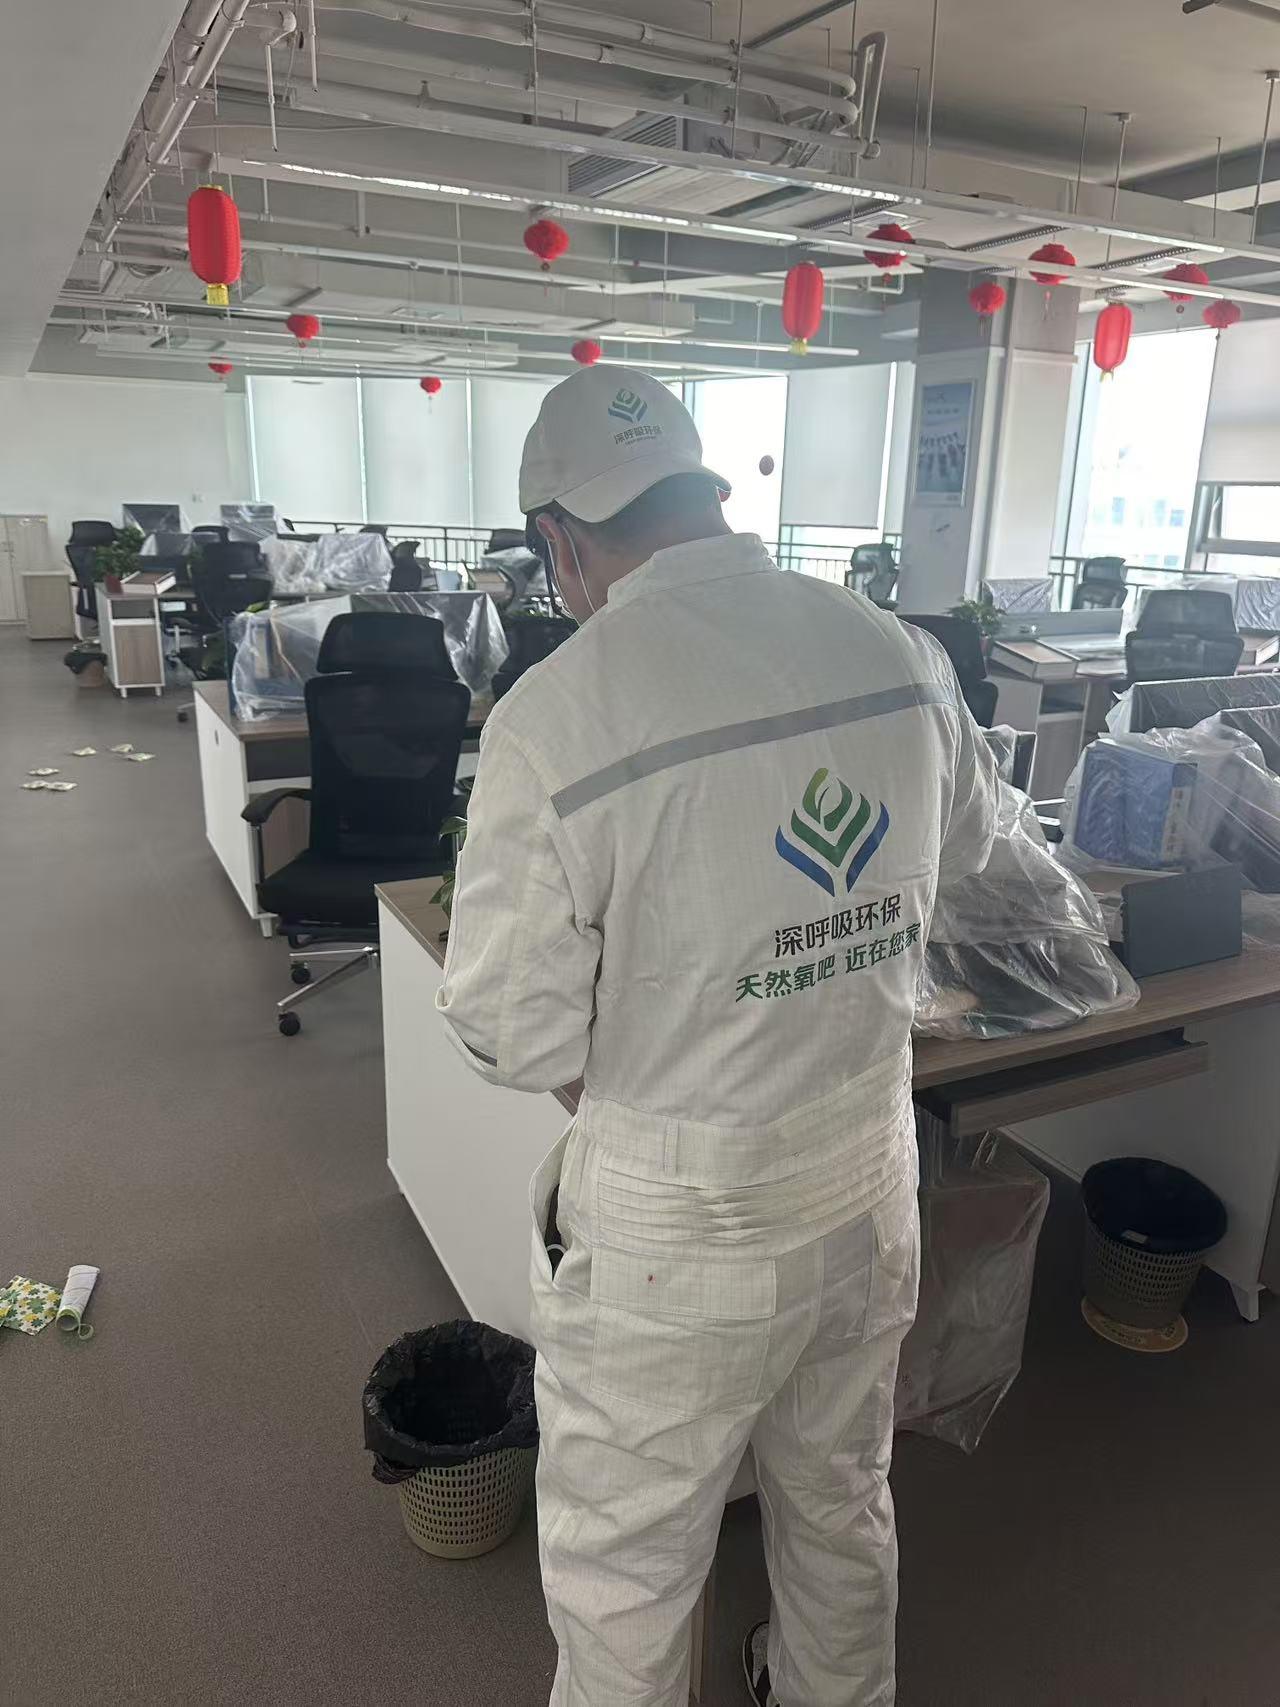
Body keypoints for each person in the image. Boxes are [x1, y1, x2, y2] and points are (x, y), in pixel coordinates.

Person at [436, 365, 998, 1707]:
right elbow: (973, 847)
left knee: (629, 1576)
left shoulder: (558, 714)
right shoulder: (892, 647)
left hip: (676, 1224)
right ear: (703, 488)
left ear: (564, 541)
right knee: (841, 1496)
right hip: (867, 1180)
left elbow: (509, 1034)